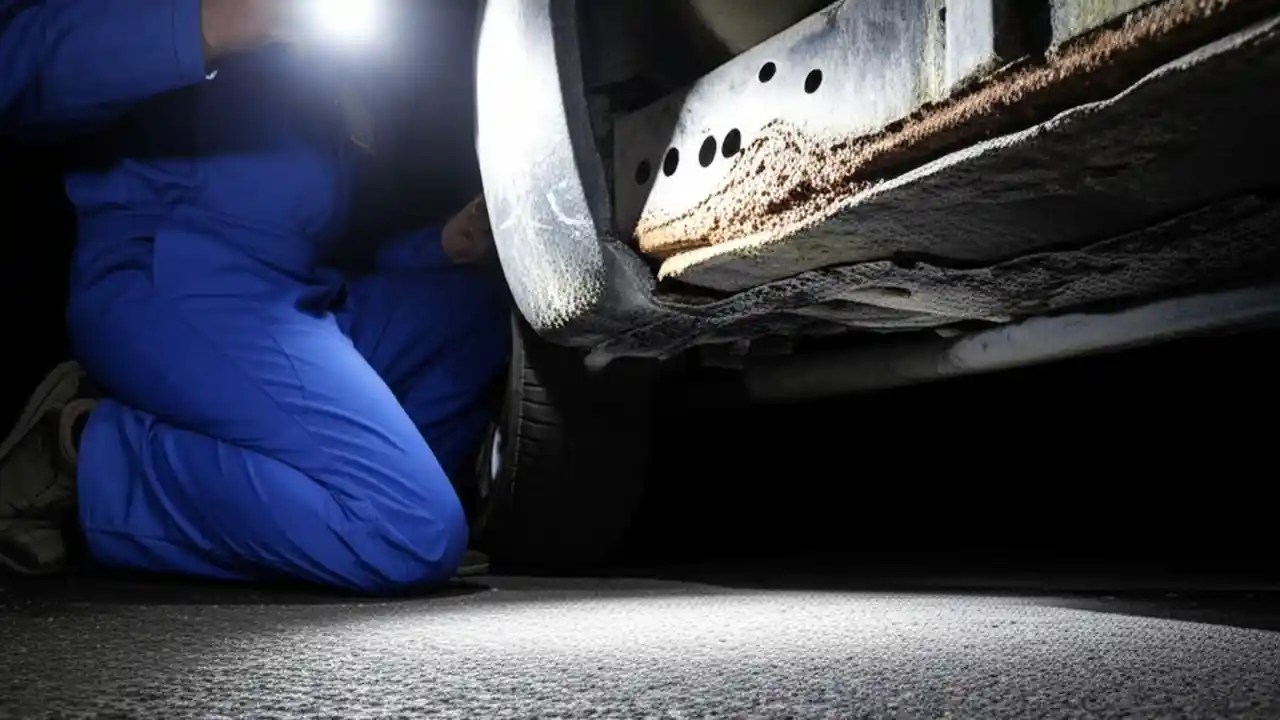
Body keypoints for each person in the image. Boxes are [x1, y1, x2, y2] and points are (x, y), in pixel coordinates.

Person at [0, 0, 511, 592]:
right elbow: (15, 63)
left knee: (473, 317)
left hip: (301, 290)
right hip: (172, 274)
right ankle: (87, 454)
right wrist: (206, 25)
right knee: (411, 529)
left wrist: (436, 247)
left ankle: (319, 505)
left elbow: (325, 222)